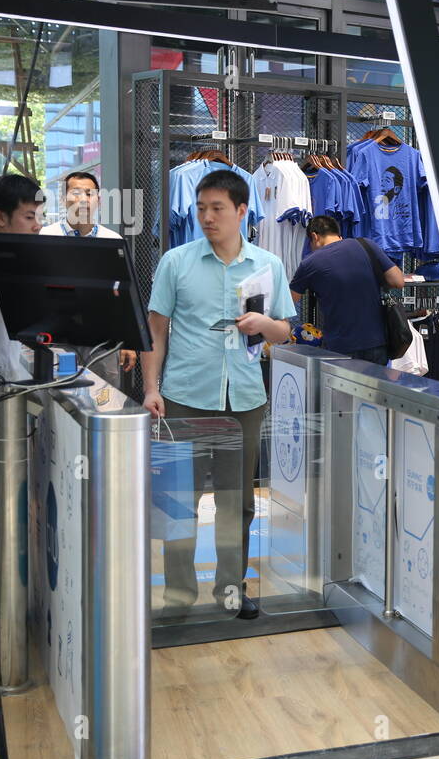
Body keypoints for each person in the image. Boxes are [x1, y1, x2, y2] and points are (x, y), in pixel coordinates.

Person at [142, 170, 296, 620]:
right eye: (201, 208)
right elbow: (155, 332)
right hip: (185, 396)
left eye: (217, 208)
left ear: (242, 211)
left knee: (238, 501)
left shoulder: (268, 265)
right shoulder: (176, 261)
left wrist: (264, 326)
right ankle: (178, 595)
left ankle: (230, 588)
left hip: (244, 400)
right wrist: (151, 388)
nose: (207, 217)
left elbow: (285, 332)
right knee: (178, 502)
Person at [0, 174, 44, 635]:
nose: (38, 225)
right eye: (30, 217)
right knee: (1, 506)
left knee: (8, 505)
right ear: (0, 218)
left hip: (13, 395)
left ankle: (3, 603)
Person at [40, 171, 137, 380]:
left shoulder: (112, 240)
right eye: (76, 192)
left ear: (99, 200)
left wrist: (127, 340)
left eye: (89, 193)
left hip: (102, 340)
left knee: (105, 400)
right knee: (57, 403)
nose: (83, 199)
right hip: (56, 339)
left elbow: (122, 295)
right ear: (63, 198)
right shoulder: (45, 237)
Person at [288, 214, 406, 364]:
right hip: (377, 342)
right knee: (374, 387)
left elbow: (291, 299)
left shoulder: (310, 262)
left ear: (314, 236)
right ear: (338, 234)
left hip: (340, 346)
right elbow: (398, 281)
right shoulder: (367, 245)